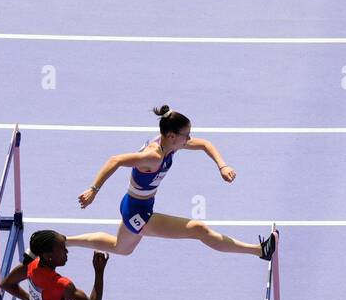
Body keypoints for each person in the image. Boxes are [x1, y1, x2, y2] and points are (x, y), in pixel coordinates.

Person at [65, 105, 277, 261]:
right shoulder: (153, 156)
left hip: (136, 204)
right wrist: (93, 190)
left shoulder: (171, 144)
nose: (190, 139)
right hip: (137, 212)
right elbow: (116, 160)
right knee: (198, 229)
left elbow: (205, 144)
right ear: (172, 135)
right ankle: (259, 251)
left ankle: (63, 241)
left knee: (121, 248)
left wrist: (222, 166)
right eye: (187, 135)